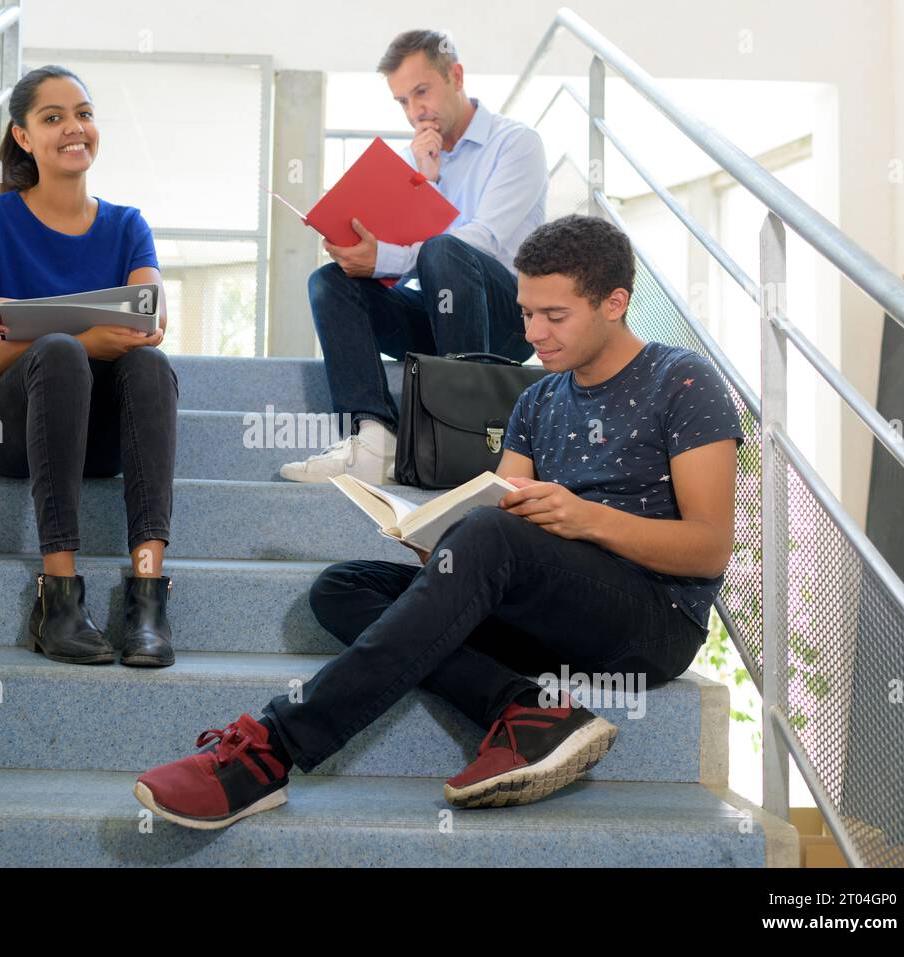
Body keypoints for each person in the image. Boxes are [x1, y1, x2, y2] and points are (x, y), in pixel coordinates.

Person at [134, 215, 744, 828]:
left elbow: (709, 549)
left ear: (615, 303)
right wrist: (440, 541)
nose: (534, 334)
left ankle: (269, 753)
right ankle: (529, 712)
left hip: (649, 623)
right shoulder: (537, 398)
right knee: (344, 588)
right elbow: (500, 506)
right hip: (545, 606)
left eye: (554, 316)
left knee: (486, 539)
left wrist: (584, 518)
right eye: (527, 312)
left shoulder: (683, 382)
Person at [0, 65, 178, 668]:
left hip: (98, 441)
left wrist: (123, 336)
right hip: (7, 433)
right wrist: (82, 336)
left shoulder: (127, 225)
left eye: (83, 113)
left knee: (151, 366)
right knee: (59, 350)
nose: (74, 128)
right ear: (23, 136)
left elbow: (149, 320)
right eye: (53, 118)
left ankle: (148, 597)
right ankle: (59, 597)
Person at [280, 29, 548, 485]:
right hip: (438, 316)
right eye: (402, 101)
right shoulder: (414, 159)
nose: (414, 111)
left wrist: (383, 255)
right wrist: (413, 193)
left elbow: (480, 241)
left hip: (505, 319)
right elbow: (405, 265)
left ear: (456, 76)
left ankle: (465, 428)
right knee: (329, 282)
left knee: (448, 249)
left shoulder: (516, 144)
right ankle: (375, 436)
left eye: (421, 92)